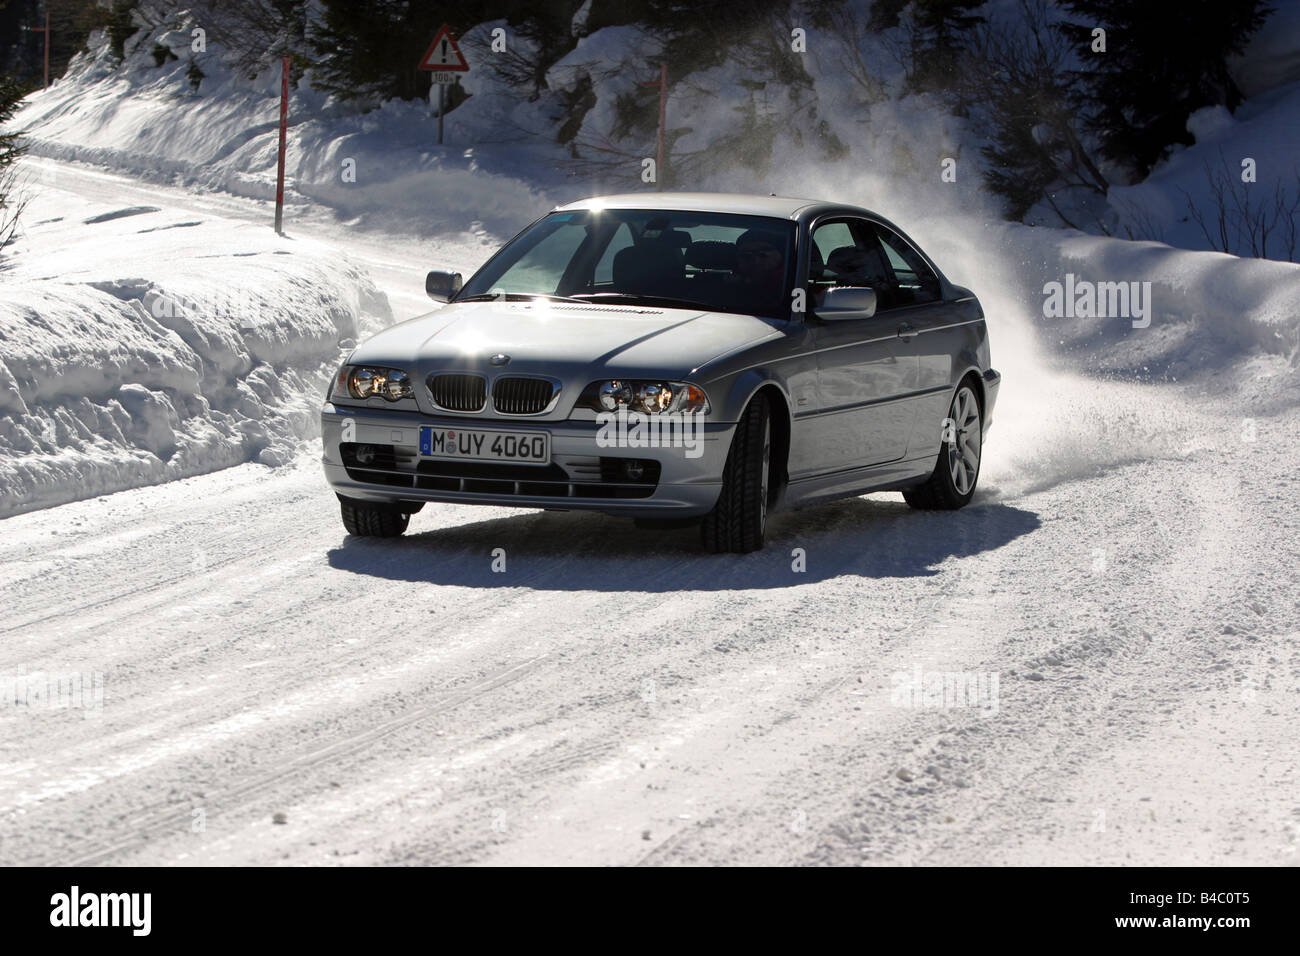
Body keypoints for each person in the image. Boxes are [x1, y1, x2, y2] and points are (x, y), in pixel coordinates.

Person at [733, 228, 788, 314]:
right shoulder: (720, 288)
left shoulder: (795, 287)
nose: (755, 261)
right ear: (737, 260)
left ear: (782, 256)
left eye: (763, 254)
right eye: (746, 255)